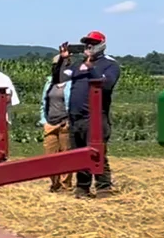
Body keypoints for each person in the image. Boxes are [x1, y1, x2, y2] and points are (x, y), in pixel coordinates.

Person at [66, 30, 120, 197]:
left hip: (95, 116)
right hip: (76, 116)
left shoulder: (110, 65)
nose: (89, 46)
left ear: (101, 45)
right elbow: (60, 78)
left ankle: (103, 186)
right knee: (78, 153)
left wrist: (92, 69)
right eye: (87, 43)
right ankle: (82, 186)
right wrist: (62, 60)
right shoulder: (78, 64)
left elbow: (107, 85)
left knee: (96, 152)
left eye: (93, 43)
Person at [37, 43, 75, 191]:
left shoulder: (71, 84)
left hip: (65, 123)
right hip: (50, 122)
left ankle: (65, 186)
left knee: (66, 155)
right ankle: (54, 183)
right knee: (49, 156)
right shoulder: (49, 83)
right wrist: (44, 120)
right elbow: (43, 103)